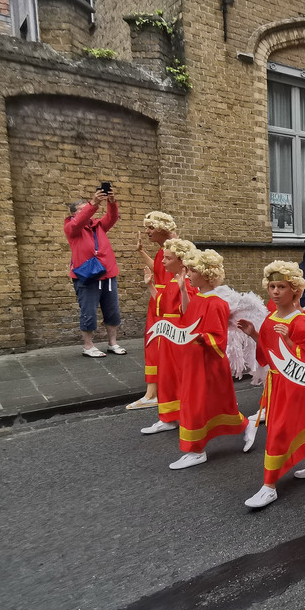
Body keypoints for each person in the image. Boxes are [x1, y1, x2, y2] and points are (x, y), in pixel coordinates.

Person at [241, 261, 305, 509]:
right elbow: (268, 352)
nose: (275, 292)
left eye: (281, 286)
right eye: (272, 286)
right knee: (296, 424)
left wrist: (290, 340)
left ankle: (269, 486)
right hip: (275, 381)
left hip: (294, 383)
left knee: (279, 429)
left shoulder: (301, 320)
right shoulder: (270, 317)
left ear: (295, 290)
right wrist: (254, 334)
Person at [167, 249, 253, 469]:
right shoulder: (198, 298)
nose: (188, 274)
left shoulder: (216, 303)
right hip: (194, 359)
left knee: (197, 404)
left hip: (208, 363)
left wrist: (201, 337)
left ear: (205, 274)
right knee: (215, 404)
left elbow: (218, 337)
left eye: (193, 270)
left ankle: (196, 450)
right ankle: (244, 425)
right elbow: (187, 320)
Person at [139, 238, 197, 437]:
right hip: (168, 336)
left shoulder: (186, 283)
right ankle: (168, 417)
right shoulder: (172, 280)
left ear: (181, 261)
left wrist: (183, 290)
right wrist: (150, 286)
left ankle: (182, 417)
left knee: (178, 379)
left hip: (178, 338)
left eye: (168, 258)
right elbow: (162, 306)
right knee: (167, 378)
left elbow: (189, 312)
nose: (162, 262)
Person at [65, 185, 124, 357]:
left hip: (107, 274)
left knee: (112, 310)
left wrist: (111, 202)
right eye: (83, 210)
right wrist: (93, 203)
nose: (88, 212)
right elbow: (79, 222)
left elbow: (111, 218)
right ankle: (88, 346)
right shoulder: (71, 228)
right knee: (88, 311)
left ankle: (112, 343)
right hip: (86, 276)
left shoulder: (98, 226)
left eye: (88, 208)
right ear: (74, 214)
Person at [129, 211, 178, 410]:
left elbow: (173, 277)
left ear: (162, 227)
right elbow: (159, 269)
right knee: (154, 346)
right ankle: (153, 392)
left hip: (166, 303)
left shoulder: (175, 248)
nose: (147, 232)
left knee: (159, 346)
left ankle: (157, 394)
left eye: (150, 227)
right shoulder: (163, 248)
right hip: (159, 300)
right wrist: (141, 252)